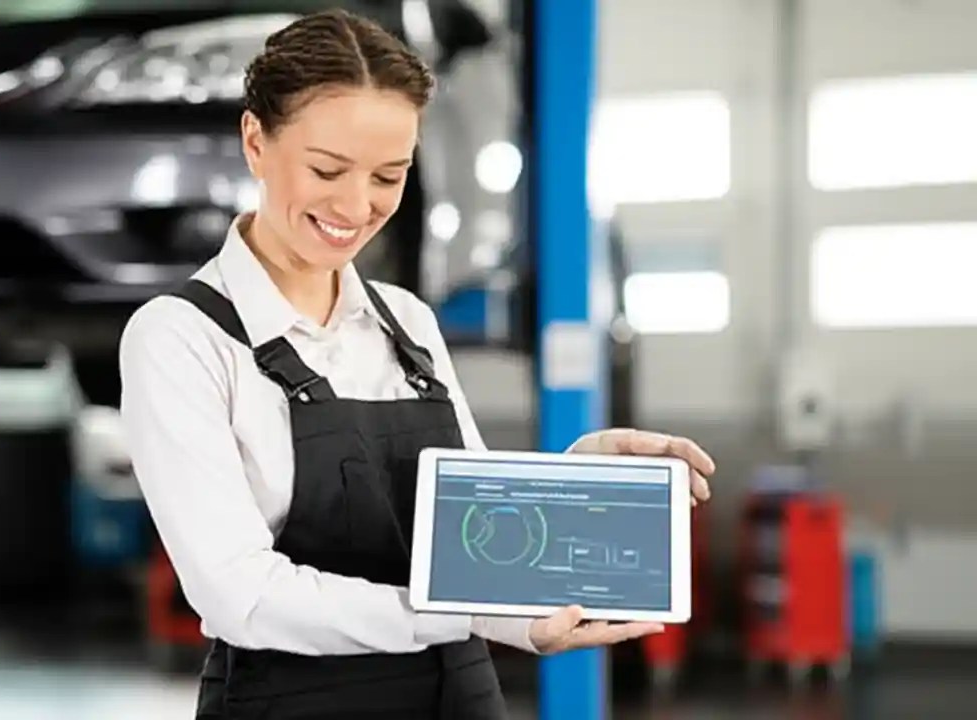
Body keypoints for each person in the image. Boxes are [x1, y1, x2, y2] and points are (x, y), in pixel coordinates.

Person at [119, 9, 716, 718]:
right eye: (326, 169)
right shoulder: (181, 338)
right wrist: (456, 616)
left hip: (458, 696)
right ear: (255, 140)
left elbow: (462, 553)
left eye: (388, 175)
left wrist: (570, 487)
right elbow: (240, 596)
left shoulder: (408, 322)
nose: (356, 204)